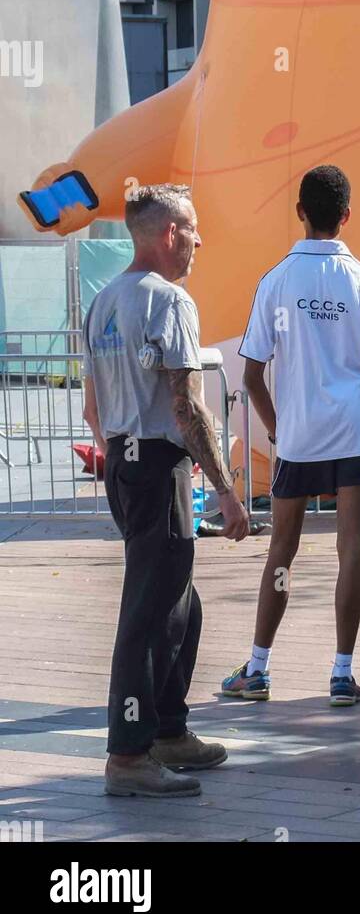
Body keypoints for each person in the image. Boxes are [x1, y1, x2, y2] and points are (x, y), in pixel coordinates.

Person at [82, 184, 249, 798]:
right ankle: (128, 755)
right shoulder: (170, 301)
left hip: (126, 467)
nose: (201, 242)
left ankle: (168, 729)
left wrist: (123, 454)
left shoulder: (104, 303)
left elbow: (92, 407)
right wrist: (227, 492)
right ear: (171, 234)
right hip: (157, 465)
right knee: (148, 612)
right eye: (195, 230)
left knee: (181, 604)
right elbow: (187, 405)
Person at [223, 165, 360, 706]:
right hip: (355, 430)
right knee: (352, 552)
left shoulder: (275, 280)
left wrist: (279, 431)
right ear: (346, 216)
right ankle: (342, 675)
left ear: (300, 211)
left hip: (298, 435)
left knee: (282, 550)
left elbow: (251, 374)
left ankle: (257, 669)